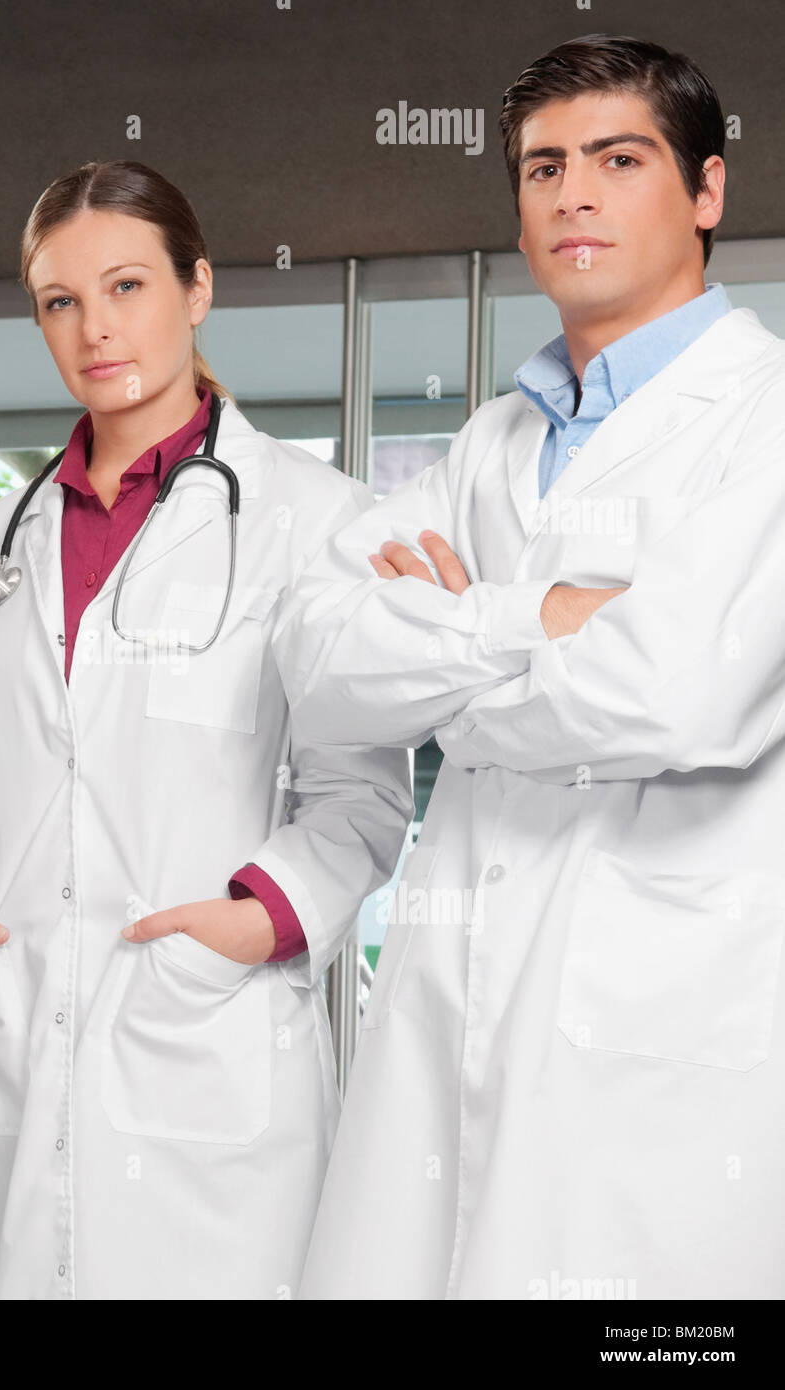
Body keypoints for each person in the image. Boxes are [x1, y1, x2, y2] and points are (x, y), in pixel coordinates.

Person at [286, 34, 785, 1298]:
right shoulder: (489, 443)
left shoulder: (765, 418)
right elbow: (319, 663)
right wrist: (544, 617)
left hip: (659, 1047)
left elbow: (671, 693)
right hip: (450, 1015)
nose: (573, 195)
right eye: (543, 167)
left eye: (618, 160)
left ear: (707, 191)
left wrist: (447, 663)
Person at [0, 160, 414, 1299]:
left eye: (127, 285)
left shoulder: (312, 518)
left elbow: (361, 799)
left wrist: (249, 925)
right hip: (8, 1040)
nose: (95, 328)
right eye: (60, 300)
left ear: (198, 288)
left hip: (202, 1049)